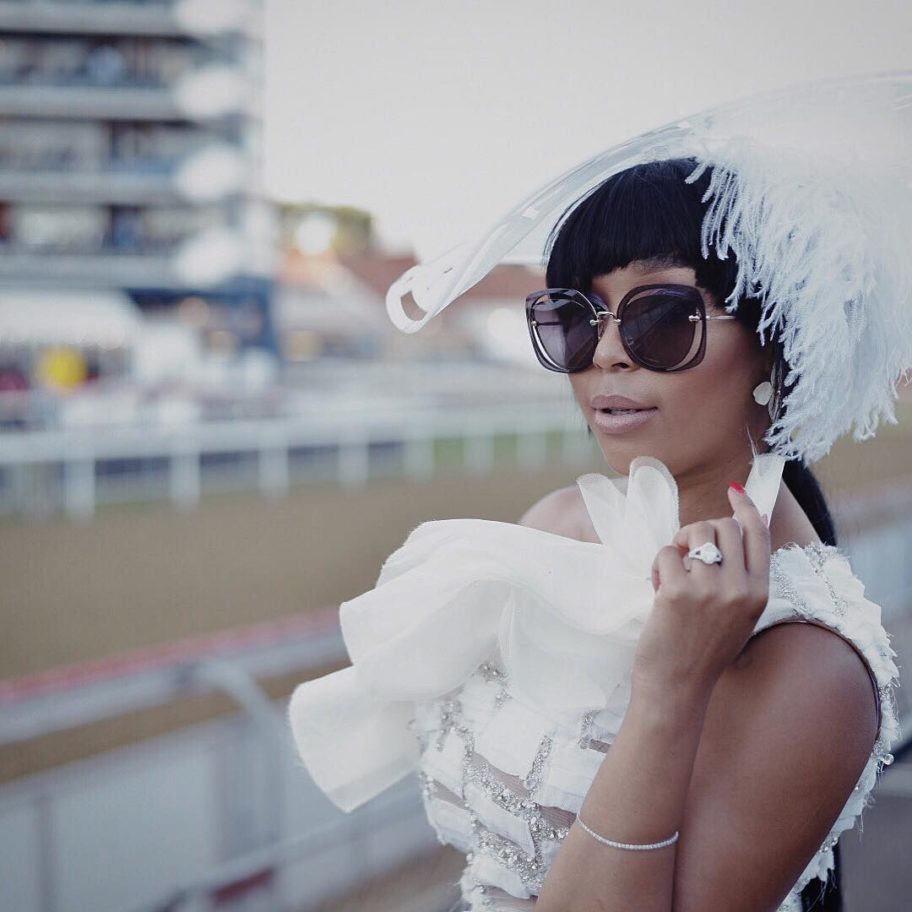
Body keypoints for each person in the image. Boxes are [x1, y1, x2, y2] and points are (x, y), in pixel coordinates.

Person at [288, 77, 909, 912]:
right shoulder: (561, 524)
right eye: (575, 320)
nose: (607, 354)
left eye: (660, 318)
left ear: (774, 345)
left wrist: (671, 688)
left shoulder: (809, 664)